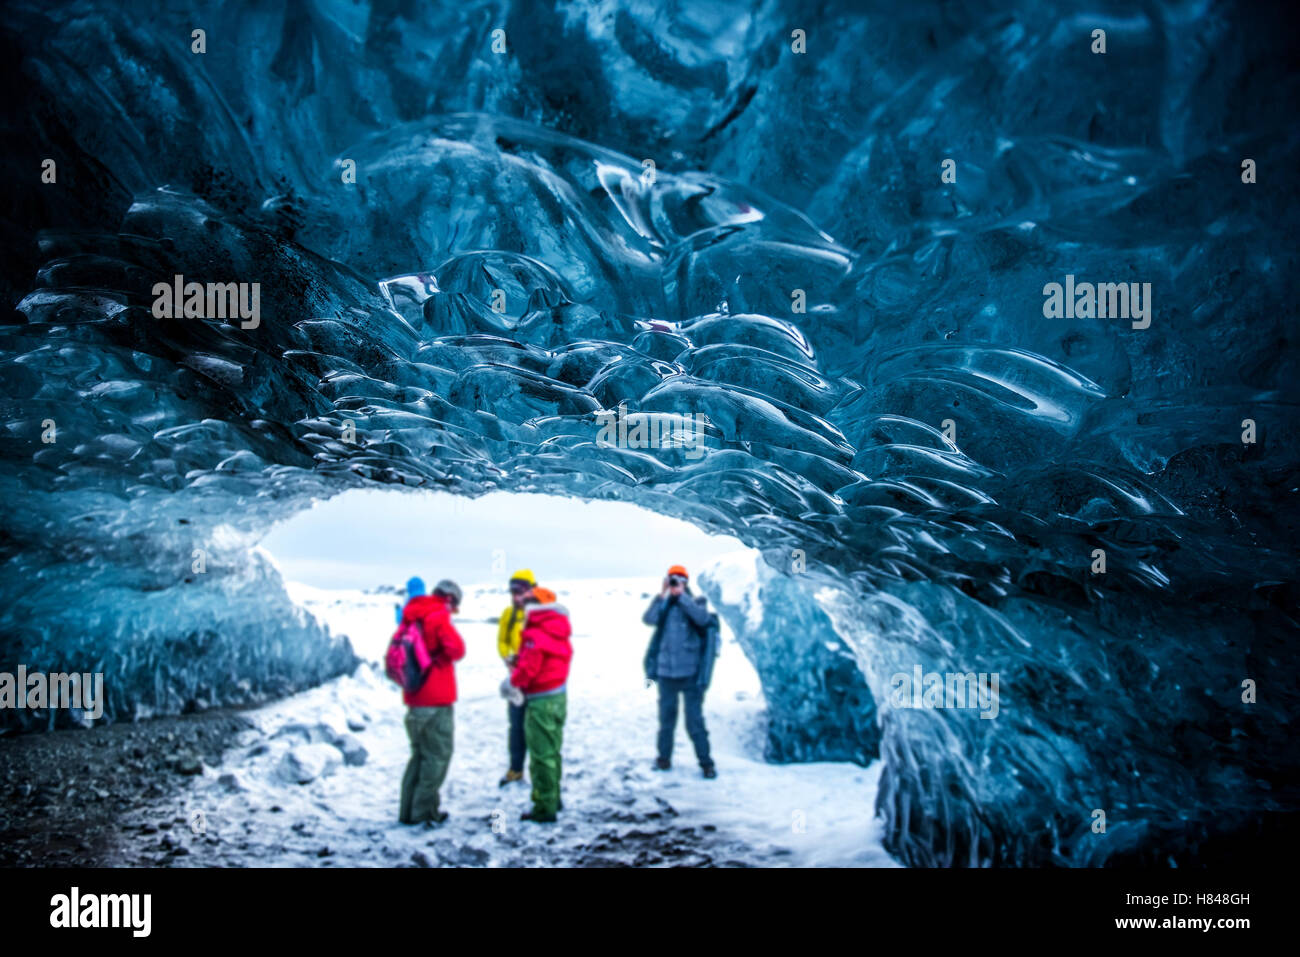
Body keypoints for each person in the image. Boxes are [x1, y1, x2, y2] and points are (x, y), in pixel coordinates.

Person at [397, 579, 466, 826]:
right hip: (435, 700)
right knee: (436, 757)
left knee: (419, 756)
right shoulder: (437, 615)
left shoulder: (411, 613)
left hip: (414, 699)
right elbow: (457, 649)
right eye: (455, 606)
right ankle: (423, 814)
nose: (453, 612)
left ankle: (407, 813)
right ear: (449, 599)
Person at [643, 564, 719, 778]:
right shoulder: (663, 605)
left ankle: (706, 763)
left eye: (680, 580)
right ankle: (663, 759)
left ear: (686, 583)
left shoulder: (696, 602)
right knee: (666, 721)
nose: (676, 583)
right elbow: (649, 619)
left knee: (694, 721)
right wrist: (662, 596)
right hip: (666, 674)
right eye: (672, 579)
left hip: (691, 675)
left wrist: (682, 597)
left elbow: (703, 619)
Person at [509, 586, 572, 823]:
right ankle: (552, 797)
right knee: (552, 751)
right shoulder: (557, 630)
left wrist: (513, 683)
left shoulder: (535, 634)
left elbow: (529, 670)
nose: (522, 605)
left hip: (541, 700)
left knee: (541, 755)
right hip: (557, 696)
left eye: (526, 602)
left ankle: (544, 808)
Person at [496, 569, 537, 787]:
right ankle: (516, 768)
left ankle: (541, 772)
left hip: (539, 683)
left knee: (539, 727)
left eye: (519, 592)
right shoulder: (508, 615)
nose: (515, 597)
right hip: (516, 681)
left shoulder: (541, 613)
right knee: (516, 726)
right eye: (512, 592)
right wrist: (507, 657)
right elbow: (502, 640)